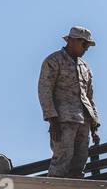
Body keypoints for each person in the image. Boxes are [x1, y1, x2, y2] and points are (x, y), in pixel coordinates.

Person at [37, 26, 101, 178]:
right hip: (63, 120)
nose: (86, 48)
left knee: (80, 161)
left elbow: (89, 97)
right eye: (83, 43)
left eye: (88, 45)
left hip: (83, 121)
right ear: (71, 41)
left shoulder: (85, 67)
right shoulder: (54, 61)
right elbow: (44, 91)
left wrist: (94, 125)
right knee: (62, 160)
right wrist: (52, 121)